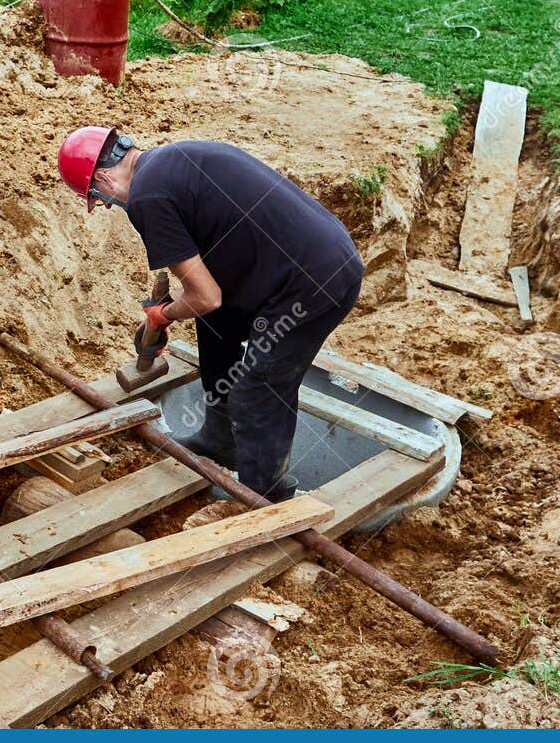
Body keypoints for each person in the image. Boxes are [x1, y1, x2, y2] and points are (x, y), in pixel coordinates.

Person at [56, 126, 364, 501]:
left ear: (103, 179)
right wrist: (168, 310)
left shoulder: (147, 199)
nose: (107, 204)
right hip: (314, 258)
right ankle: (221, 440)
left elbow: (206, 296)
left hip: (312, 284)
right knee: (217, 326)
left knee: (258, 389)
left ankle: (266, 500)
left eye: (99, 198)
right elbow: (209, 289)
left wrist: (164, 315)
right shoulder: (173, 159)